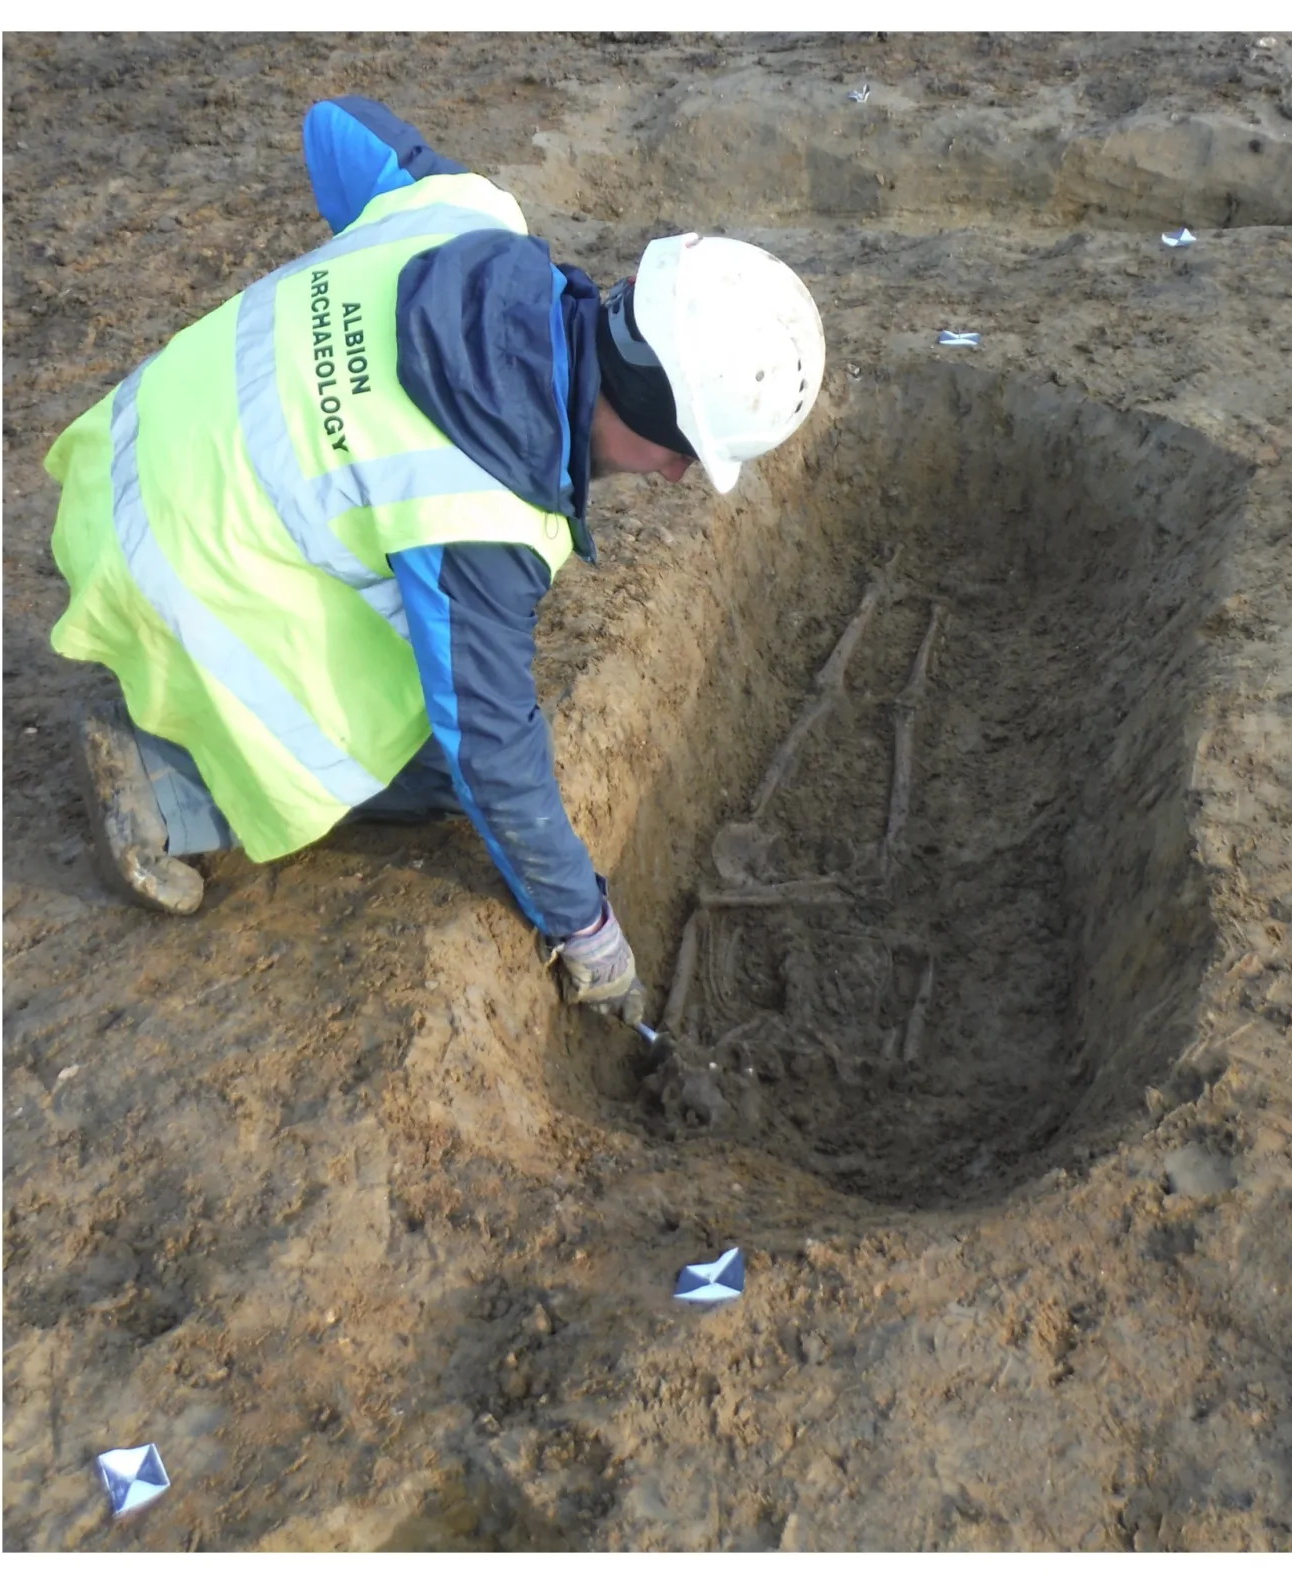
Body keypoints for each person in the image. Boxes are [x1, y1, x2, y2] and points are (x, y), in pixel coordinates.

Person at [43, 96, 827, 1022]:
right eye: (684, 457)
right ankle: (169, 786)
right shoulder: (481, 512)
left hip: (113, 470)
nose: (672, 482)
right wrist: (587, 931)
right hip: (173, 585)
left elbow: (336, 123)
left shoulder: (461, 217)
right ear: (654, 422)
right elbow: (493, 753)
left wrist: (353, 303)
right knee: (433, 756)